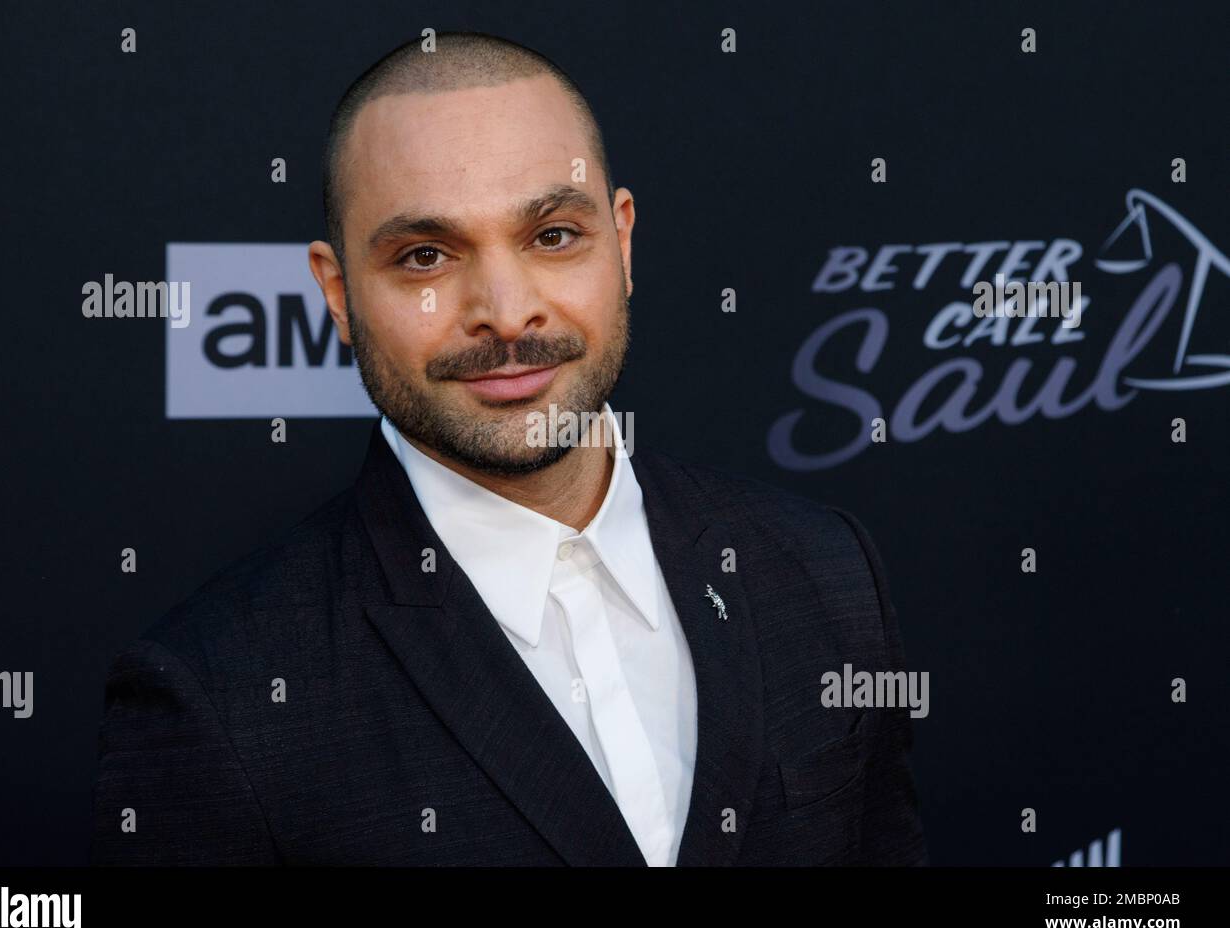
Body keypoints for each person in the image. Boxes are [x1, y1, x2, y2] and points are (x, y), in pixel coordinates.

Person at [90, 30, 926, 866]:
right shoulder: (218, 698)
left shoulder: (823, 574)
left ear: (623, 242)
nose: (506, 308)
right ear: (339, 296)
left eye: (553, 236)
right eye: (425, 256)